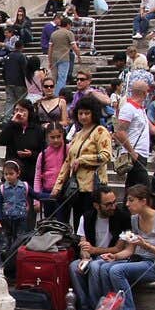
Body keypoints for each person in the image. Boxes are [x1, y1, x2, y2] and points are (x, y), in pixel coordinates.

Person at [88, 185, 155, 310]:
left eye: (130, 200)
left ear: (143, 201)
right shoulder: (135, 219)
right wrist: (115, 256)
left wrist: (147, 246)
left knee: (116, 271)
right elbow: (130, 250)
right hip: (138, 260)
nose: (127, 204)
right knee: (104, 268)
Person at [66, 186, 131, 310]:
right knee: (74, 267)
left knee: (95, 266)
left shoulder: (123, 217)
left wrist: (94, 251)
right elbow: (83, 243)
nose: (113, 207)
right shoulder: (86, 217)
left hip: (113, 257)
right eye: (108, 204)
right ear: (97, 205)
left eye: (114, 202)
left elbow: (119, 248)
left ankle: (96, 309)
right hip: (93, 256)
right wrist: (85, 257)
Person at [51, 97, 112, 231]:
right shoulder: (77, 134)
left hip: (93, 186)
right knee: (78, 223)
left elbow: (106, 155)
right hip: (76, 188)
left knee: (91, 223)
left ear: (93, 113)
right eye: (80, 113)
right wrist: (58, 185)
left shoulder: (100, 131)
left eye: (87, 113)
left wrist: (83, 159)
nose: (83, 116)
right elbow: (68, 161)